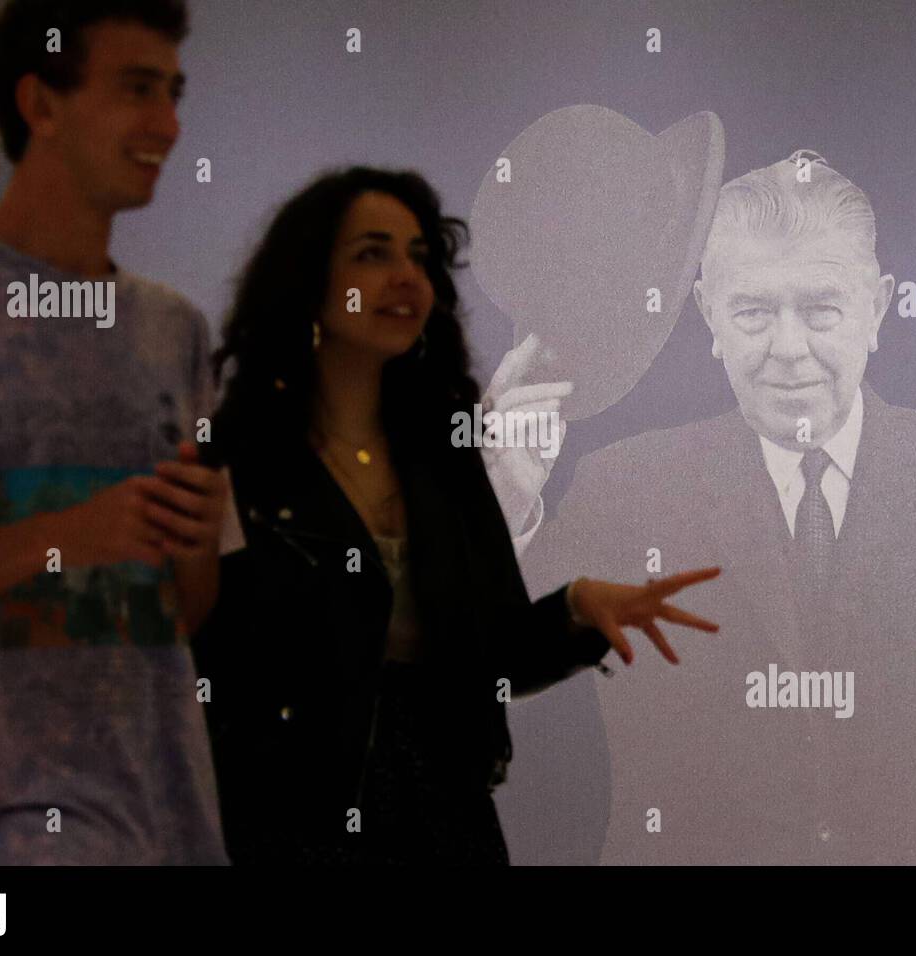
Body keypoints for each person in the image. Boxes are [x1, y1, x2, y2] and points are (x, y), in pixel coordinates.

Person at [519, 150, 916, 864]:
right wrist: (501, 503)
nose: (788, 350)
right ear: (709, 314)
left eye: (821, 310)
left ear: (878, 309)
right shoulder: (623, 488)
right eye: (753, 312)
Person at [192, 166, 721, 865]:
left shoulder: (444, 456)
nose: (406, 277)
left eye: (419, 257)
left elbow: (496, 653)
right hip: (290, 820)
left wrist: (574, 610)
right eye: (373, 254)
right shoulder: (236, 457)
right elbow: (201, 657)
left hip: (444, 814)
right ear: (308, 281)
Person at [0, 0, 229, 864]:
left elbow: (185, 611)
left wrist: (196, 544)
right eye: (138, 89)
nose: (169, 126)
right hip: (0, 841)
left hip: (175, 828)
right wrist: (63, 538)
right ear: (41, 104)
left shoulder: (176, 331)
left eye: (175, 93)